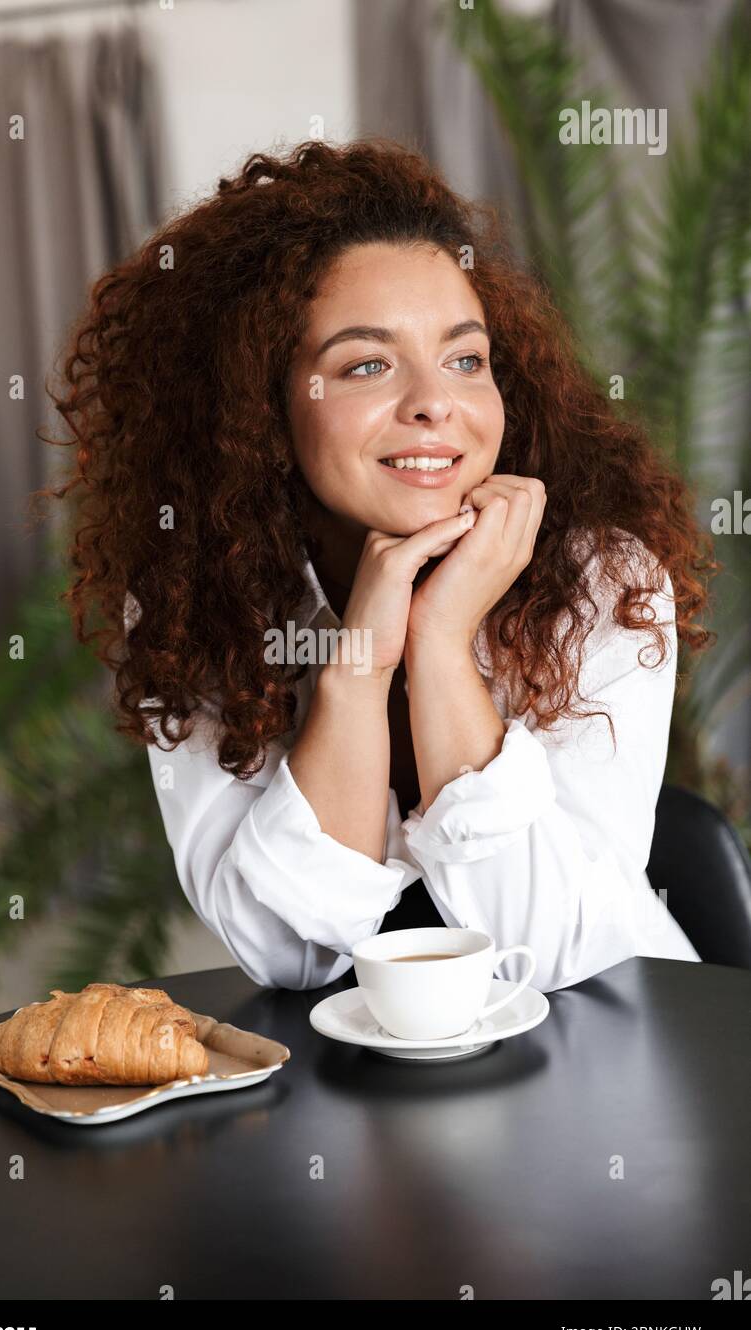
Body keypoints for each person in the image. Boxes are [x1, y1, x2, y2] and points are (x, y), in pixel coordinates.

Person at [45, 138, 714, 994]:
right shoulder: (200, 600)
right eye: (367, 364)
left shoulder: (604, 585)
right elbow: (285, 953)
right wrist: (358, 669)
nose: (436, 402)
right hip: (353, 1095)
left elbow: (554, 956)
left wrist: (439, 639)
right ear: (261, 408)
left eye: (465, 359)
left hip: (616, 1057)